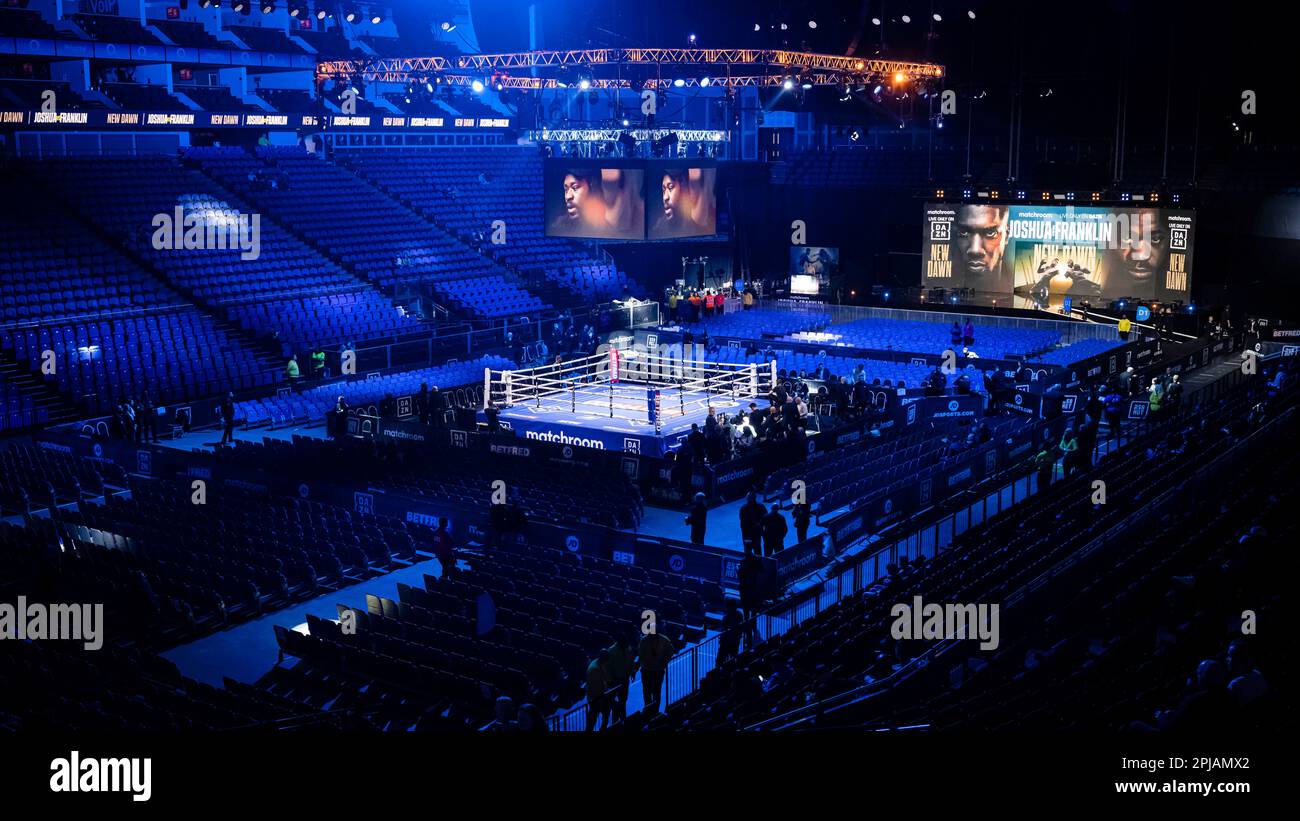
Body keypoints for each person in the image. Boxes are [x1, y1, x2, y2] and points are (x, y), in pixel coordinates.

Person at [637, 625, 675, 715]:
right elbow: (640, 654)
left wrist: (664, 661)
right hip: (647, 670)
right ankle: (648, 710)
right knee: (647, 692)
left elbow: (670, 652)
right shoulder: (644, 640)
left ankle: (655, 711)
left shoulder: (664, 640)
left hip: (658, 670)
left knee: (656, 692)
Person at [604, 635, 636, 724]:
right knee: (614, 702)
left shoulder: (628, 648)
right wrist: (610, 681)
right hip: (614, 681)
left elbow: (631, 660)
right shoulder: (611, 651)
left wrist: (632, 671)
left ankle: (622, 718)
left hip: (625, 679)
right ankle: (615, 721)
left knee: (623, 700)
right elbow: (607, 667)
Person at [584, 650, 613, 732]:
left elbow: (604, 676)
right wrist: (606, 694)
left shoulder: (598, 663)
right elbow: (597, 688)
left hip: (598, 697)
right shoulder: (595, 669)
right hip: (596, 699)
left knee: (602, 718)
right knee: (593, 719)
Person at [716, 598, 744, 665]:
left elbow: (737, 627)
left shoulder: (737, 615)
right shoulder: (728, 616)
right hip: (728, 640)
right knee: (720, 660)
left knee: (730, 658)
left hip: (732, 640)